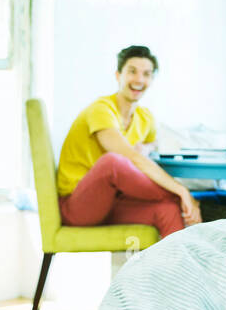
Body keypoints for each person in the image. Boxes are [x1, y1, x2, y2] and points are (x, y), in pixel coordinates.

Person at [55, 45, 201, 238]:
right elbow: (132, 158)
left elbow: (152, 144)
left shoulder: (144, 117)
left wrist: (147, 147)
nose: (139, 79)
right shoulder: (101, 109)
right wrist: (182, 192)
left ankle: (174, 269)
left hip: (113, 204)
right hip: (78, 206)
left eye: (147, 74)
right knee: (113, 162)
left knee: (167, 209)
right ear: (118, 75)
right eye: (132, 71)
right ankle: (194, 200)